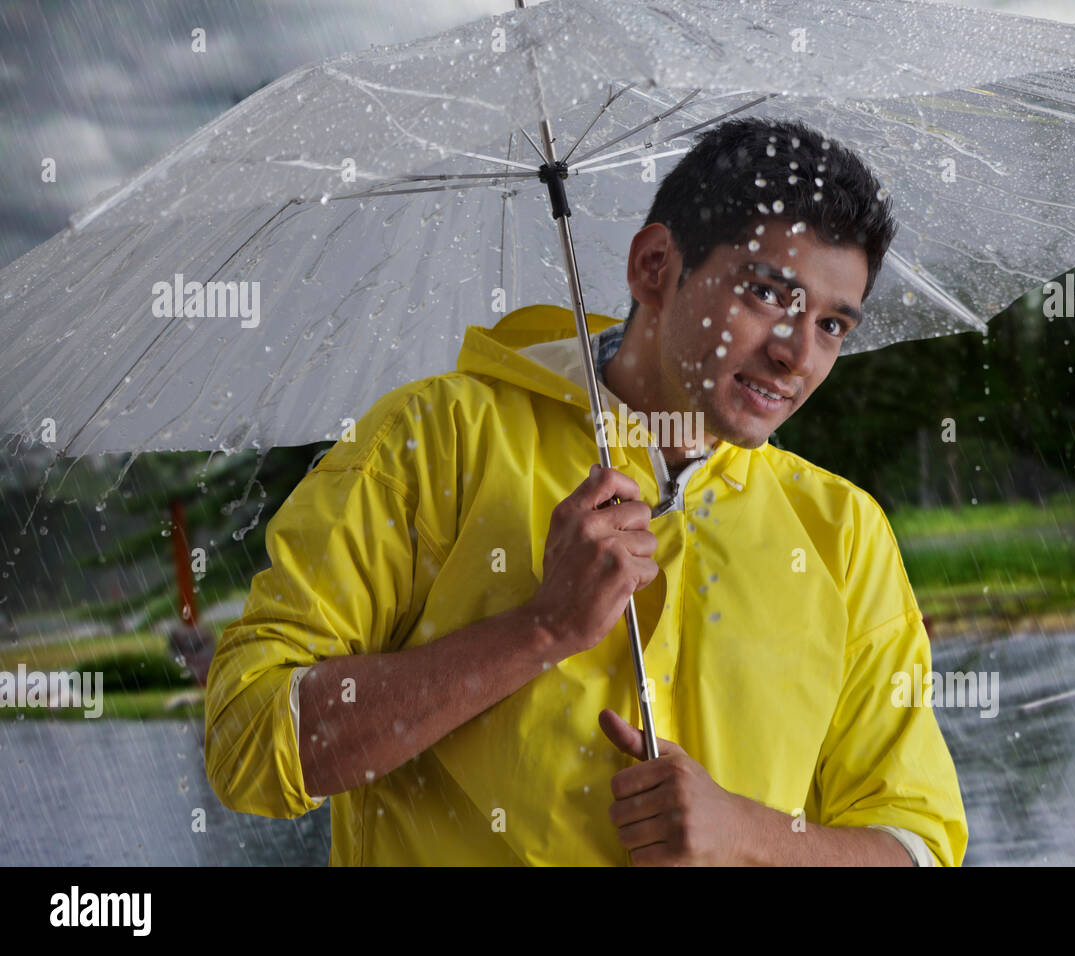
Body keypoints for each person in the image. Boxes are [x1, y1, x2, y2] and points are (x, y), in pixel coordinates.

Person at [204, 117, 968, 866]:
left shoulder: (843, 533)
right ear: (654, 267)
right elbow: (249, 741)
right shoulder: (432, 441)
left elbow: (917, 844)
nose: (797, 355)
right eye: (769, 295)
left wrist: (746, 837)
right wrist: (537, 631)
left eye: (833, 325)